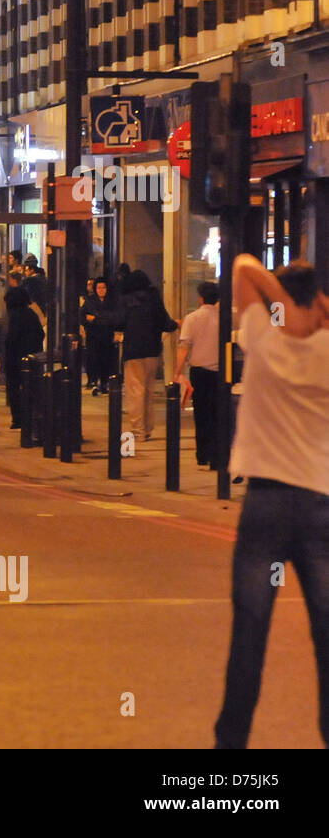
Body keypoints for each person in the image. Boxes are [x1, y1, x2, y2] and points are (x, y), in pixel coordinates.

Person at [214, 256, 329, 749]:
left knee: (250, 632)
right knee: (327, 635)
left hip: (265, 505)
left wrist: (289, 312)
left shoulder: (263, 331)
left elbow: (242, 267)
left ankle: (231, 746)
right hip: (322, 506)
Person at [113, 269, 177, 444]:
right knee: (148, 391)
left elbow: (118, 322)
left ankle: (138, 430)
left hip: (133, 352)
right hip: (153, 350)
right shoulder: (154, 299)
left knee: (136, 392)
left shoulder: (126, 301)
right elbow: (166, 323)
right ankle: (148, 428)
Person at [173, 280, 221, 468]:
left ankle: (202, 453)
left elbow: (184, 347)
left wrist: (177, 372)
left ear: (201, 298)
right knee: (217, 413)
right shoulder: (224, 318)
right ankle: (216, 456)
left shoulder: (192, 318)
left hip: (198, 372)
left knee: (201, 414)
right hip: (219, 371)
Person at [3, 285, 45, 429]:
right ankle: (31, 416)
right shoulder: (31, 314)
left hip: (16, 358)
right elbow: (41, 334)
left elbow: (12, 338)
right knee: (32, 388)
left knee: (14, 388)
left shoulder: (15, 316)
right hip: (33, 357)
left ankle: (18, 419)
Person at [82, 277, 116, 395]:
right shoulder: (90, 301)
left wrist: (95, 318)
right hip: (93, 336)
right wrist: (102, 319)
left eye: (103, 287)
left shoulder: (112, 302)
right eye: (99, 288)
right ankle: (93, 382)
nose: (101, 290)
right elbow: (83, 317)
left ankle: (104, 383)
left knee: (106, 359)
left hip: (107, 336)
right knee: (93, 358)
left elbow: (113, 318)